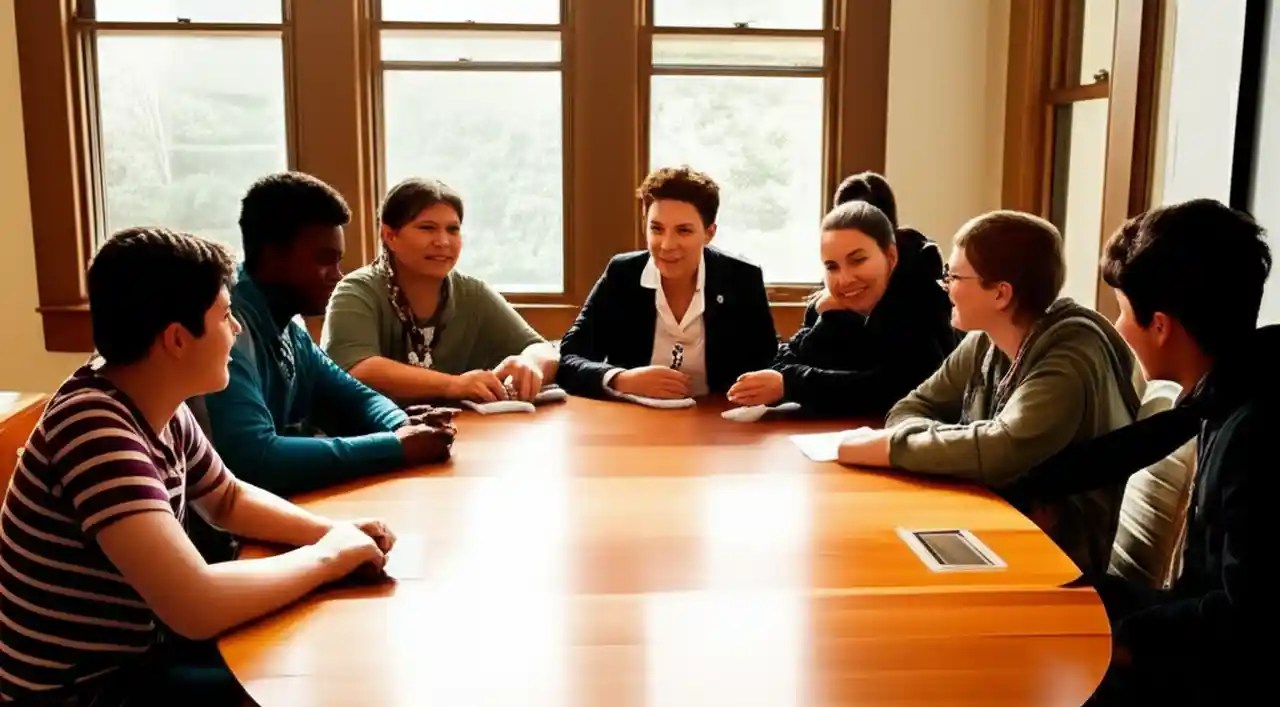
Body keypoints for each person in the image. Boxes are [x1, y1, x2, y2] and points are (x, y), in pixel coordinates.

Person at [0, 228, 399, 707]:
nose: (235, 331)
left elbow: (227, 499)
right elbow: (195, 605)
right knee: (295, 694)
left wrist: (335, 532)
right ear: (176, 339)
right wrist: (327, 558)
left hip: (139, 659)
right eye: (225, 316)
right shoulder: (95, 430)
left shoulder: (150, 397)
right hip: (80, 699)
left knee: (312, 656)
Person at [1009, 200, 1273, 707]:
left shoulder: (1257, 432)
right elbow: (1137, 444)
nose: (1118, 327)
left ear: (1160, 325)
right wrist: (1027, 486)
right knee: (1040, 597)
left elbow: (1247, 618)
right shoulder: (1235, 379)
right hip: (1193, 624)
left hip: (1222, 674)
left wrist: (1124, 638)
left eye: (1123, 312)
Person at [834, 210, 1142, 575]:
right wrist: (950, 447)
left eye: (954, 275)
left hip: (1060, 556)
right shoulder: (985, 340)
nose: (944, 285)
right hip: (1000, 517)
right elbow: (913, 406)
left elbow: (1002, 448)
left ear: (1000, 293)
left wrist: (891, 447)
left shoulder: (1071, 356)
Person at [201, 172, 455, 497]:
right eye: (325, 260)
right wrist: (395, 447)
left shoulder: (290, 326)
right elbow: (256, 458)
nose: (337, 276)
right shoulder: (228, 331)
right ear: (271, 255)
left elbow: (353, 396)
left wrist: (401, 424)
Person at [321, 178, 559, 404]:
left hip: (458, 432)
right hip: (369, 439)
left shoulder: (473, 293)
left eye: (453, 229)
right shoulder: (356, 291)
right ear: (389, 235)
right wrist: (453, 385)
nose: (443, 241)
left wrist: (530, 364)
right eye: (427, 228)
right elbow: (355, 367)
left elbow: (542, 349)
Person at [556, 166, 777, 399]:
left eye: (683, 231)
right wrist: (622, 379)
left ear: (709, 233)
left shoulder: (742, 278)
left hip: (719, 421)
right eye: (657, 229)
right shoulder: (623, 274)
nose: (667, 244)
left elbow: (770, 365)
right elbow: (569, 359)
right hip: (634, 420)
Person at [727, 193, 957, 416]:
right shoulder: (839, 305)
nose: (844, 279)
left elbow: (897, 388)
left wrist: (792, 385)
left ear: (890, 256)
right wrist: (826, 318)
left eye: (858, 260)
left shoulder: (919, 299)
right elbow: (781, 363)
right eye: (832, 267)